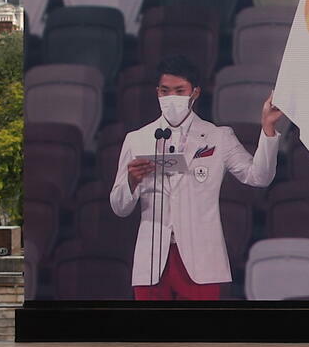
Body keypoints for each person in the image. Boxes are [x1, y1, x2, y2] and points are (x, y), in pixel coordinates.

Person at [109, 58, 283, 298]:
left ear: (195, 93)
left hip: (201, 259)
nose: (172, 97)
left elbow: (259, 176)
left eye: (180, 91)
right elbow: (119, 207)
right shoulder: (137, 139)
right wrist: (131, 181)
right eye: (165, 91)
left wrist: (267, 129)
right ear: (157, 93)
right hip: (151, 261)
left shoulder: (218, 137)